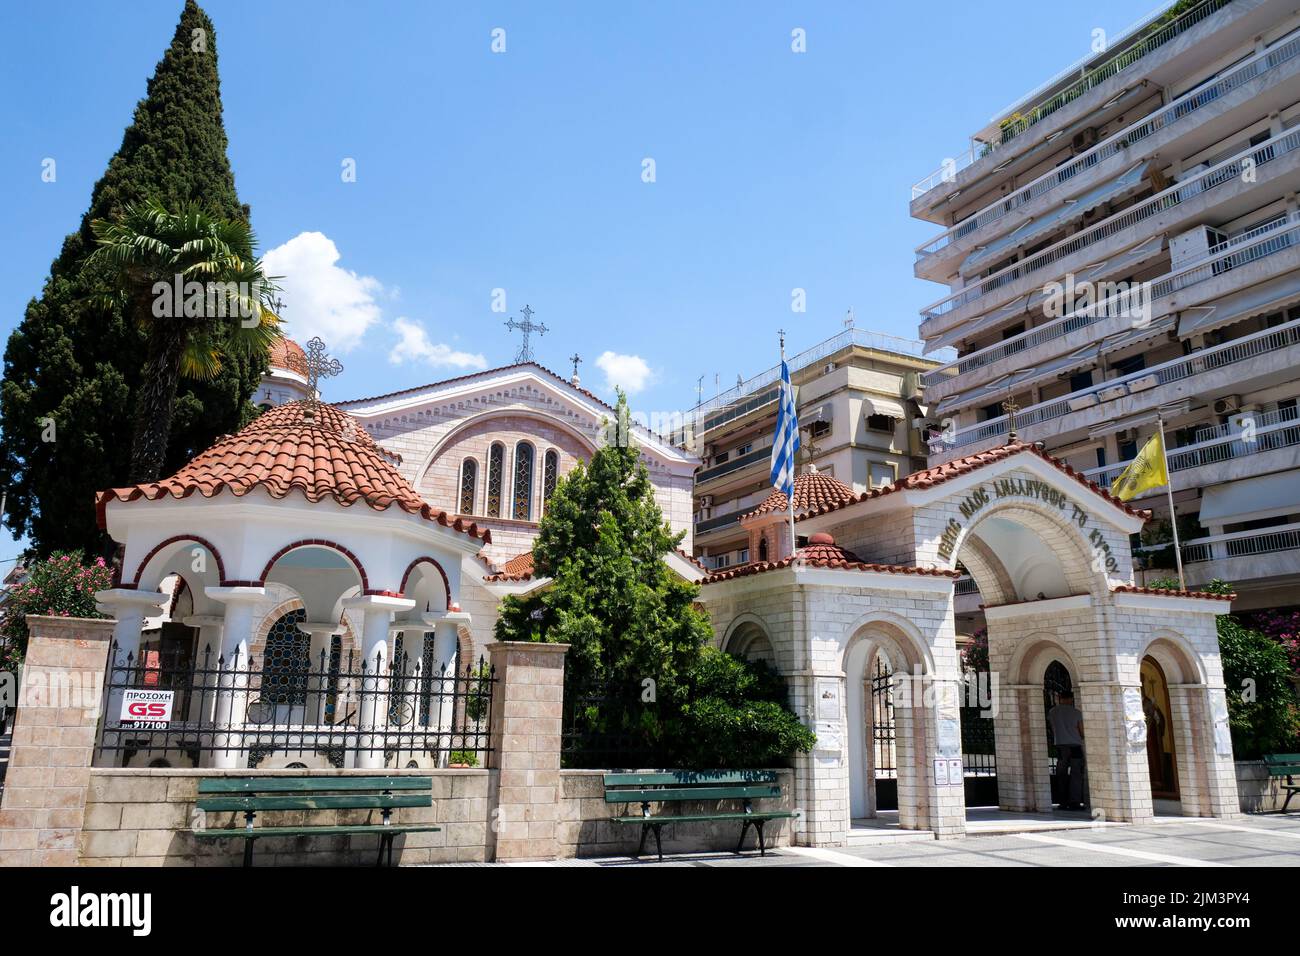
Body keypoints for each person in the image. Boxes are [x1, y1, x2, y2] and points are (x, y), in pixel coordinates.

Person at [1047, 690, 1086, 810]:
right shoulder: (1076, 713)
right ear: (1071, 699)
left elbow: (1052, 728)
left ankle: (1062, 801)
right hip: (1075, 746)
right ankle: (1075, 801)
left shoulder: (1052, 712)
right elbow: (1082, 731)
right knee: (1076, 774)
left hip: (1060, 746)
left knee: (1061, 774)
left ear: (1060, 698)